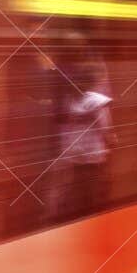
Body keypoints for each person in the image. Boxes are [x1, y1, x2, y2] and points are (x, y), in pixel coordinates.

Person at [49, 33, 113, 221]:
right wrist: (111, 139)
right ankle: (86, 215)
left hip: (72, 149)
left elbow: (60, 116)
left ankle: (69, 215)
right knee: (90, 188)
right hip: (92, 152)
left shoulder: (67, 92)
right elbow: (104, 123)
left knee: (74, 184)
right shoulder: (95, 98)